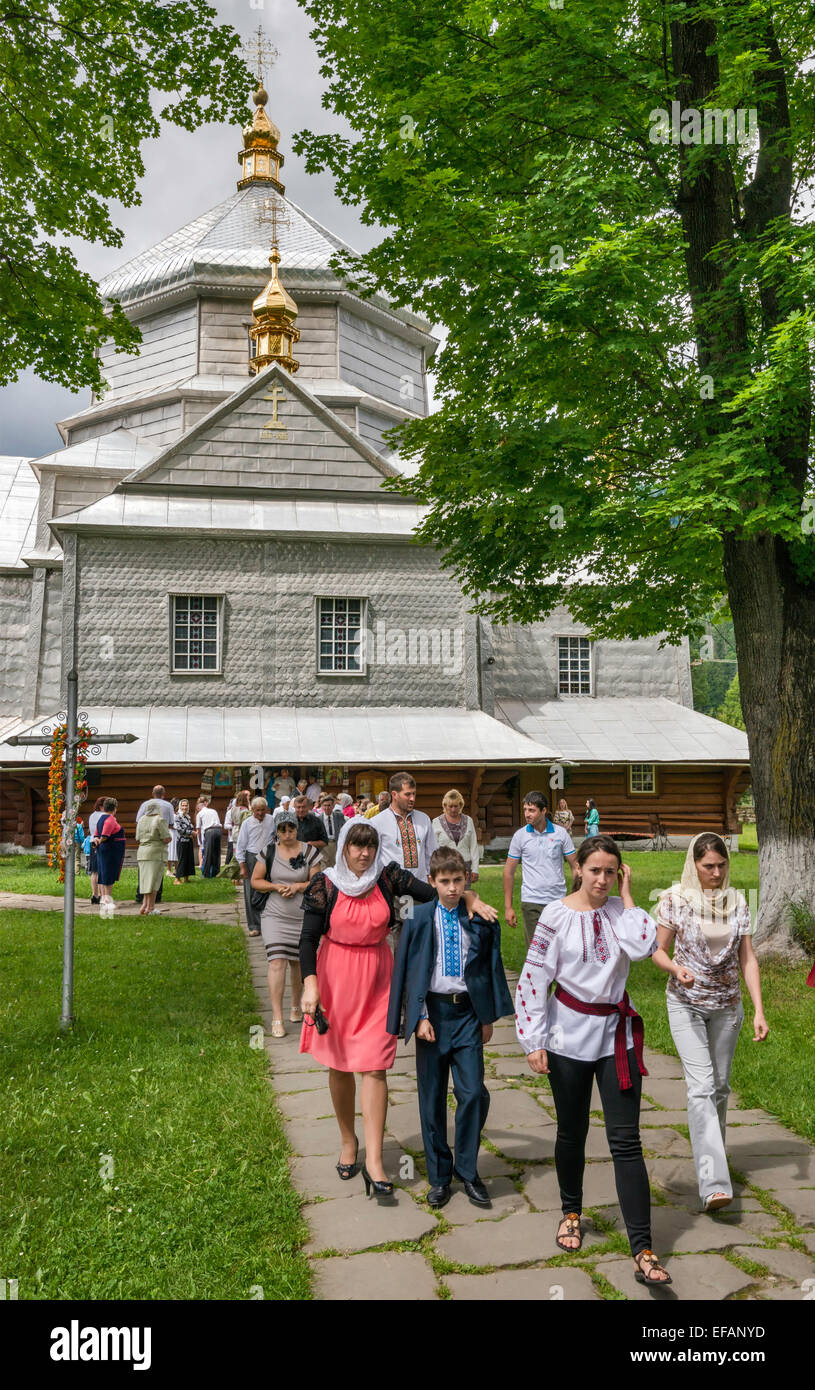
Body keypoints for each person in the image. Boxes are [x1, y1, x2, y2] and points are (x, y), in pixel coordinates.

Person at [299, 820, 498, 1199]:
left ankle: (375, 1160)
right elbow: (307, 939)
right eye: (357, 846)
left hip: (378, 980)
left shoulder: (388, 877)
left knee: (375, 1066)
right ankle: (347, 1141)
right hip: (336, 978)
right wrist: (311, 985)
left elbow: (438, 891)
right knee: (340, 1066)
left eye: (370, 846)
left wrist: (469, 897)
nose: (364, 853)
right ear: (343, 848)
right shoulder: (324, 884)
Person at [516, 835, 671, 1286]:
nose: (602, 878)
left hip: (615, 1038)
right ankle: (570, 1210)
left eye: (611, 871)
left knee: (626, 1141)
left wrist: (626, 897)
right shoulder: (555, 915)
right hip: (566, 1037)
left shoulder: (624, 914)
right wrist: (534, 1040)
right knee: (572, 1131)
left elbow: (644, 947)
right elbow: (533, 978)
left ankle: (643, 1248)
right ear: (577, 869)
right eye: (595, 870)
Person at [387, 846, 513, 1208]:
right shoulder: (418, 917)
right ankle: (440, 1176)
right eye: (445, 882)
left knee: (473, 1093)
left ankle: (469, 1171)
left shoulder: (479, 917)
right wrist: (420, 1015)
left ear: (467, 880)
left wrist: (487, 1016)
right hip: (434, 1017)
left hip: (468, 1015)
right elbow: (411, 970)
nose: (452, 888)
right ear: (432, 881)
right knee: (431, 1100)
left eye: (459, 881)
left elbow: (490, 967)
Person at [652, 832, 769, 1212]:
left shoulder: (738, 903)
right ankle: (714, 1183)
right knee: (701, 1087)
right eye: (708, 867)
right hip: (685, 1005)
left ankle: (712, 1164)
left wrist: (758, 1010)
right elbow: (658, 950)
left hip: (727, 1008)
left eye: (721, 865)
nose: (716, 873)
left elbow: (747, 959)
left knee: (719, 1088)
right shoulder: (675, 900)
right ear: (694, 865)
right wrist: (676, 968)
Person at [251, 811, 323, 1037]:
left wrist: (299, 887)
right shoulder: (268, 851)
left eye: (291, 829)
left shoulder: (310, 851)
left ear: (296, 829)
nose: (287, 833)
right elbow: (255, 881)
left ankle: (295, 1006)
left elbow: (317, 881)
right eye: (282, 829)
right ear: (277, 831)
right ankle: (276, 1018)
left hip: (303, 915)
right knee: (277, 961)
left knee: (298, 963)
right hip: (275, 915)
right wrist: (275, 887)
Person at [503, 791, 578, 945]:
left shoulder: (561, 834)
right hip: (531, 901)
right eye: (525, 809)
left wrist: (577, 897)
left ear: (543, 811)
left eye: (532, 810)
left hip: (558, 901)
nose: (527, 814)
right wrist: (508, 907)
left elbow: (576, 867)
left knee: (559, 950)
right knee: (535, 953)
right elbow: (508, 872)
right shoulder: (520, 836)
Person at [375, 772, 438, 883]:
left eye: (414, 794)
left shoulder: (424, 819)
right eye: (407, 794)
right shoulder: (377, 822)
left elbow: (432, 854)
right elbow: (374, 859)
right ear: (394, 794)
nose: (412, 798)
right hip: (390, 889)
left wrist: (434, 879)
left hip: (421, 886)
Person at [236, 796, 275, 937]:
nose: (260, 813)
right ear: (252, 809)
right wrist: (242, 866)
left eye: (263, 810)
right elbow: (240, 845)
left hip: (269, 857)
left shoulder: (271, 820)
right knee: (250, 891)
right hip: (252, 857)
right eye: (257, 810)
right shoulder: (247, 823)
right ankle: (254, 926)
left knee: (269, 890)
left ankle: (268, 924)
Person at [432, 789, 480, 886]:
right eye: (450, 806)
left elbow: (474, 846)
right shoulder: (436, 822)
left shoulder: (469, 820)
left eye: (456, 806)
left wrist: (475, 869)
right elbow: (433, 848)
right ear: (445, 806)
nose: (453, 809)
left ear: (461, 805)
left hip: (465, 867)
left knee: (464, 898)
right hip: (444, 867)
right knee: (447, 898)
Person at [135, 786, 174, 904]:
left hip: (142, 849)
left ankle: (140, 897)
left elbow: (137, 830)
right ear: (164, 794)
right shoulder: (168, 807)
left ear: (152, 793)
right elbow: (171, 825)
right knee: (156, 876)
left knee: (143, 875)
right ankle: (153, 901)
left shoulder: (143, 808)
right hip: (157, 848)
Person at [94, 797, 126, 918]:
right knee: (108, 873)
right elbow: (105, 836)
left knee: (103, 872)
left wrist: (97, 840)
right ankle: (107, 901)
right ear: (114, 808)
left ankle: (103, 899)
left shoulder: (101, 818)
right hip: (110, 849)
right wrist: (100, 840)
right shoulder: (110, 819)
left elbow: (97, 834)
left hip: (104, 849)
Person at [196, 796, 222, 877]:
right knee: (217, 853)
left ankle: (205, 874)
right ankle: (216, 873)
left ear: (199, 807)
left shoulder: (199, 814)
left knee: (208, 853)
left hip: (209, 831)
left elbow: (198, 829)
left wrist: (200, 841)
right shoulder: (213, 810)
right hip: (218, 830)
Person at [87, 795, 106, 904]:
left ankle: (94, 895)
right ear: (101, 806)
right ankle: (102, 895)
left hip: (92, 841)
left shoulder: (92, 815)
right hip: (100, 842)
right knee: (101, 870)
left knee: (94, 871)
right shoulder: (104, 815)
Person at [224, 790, 251, 865]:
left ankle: (235, 864)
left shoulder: (232, 810)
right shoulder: (245, 811)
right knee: (242, 850)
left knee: (236, 850)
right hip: (242, 831)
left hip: (234, 831)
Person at [173, 800, 196, 884]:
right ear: (180, 806)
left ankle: (186, 878)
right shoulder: (177, 816)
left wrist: (192, 833)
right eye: (183, 805)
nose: (184, 807)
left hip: (188, 841)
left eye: (186, 805)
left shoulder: (187, 817)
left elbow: (189, 827)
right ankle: (177, 879)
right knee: (182, 860)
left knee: (188, 860)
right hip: (181, 841)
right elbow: (178, 829)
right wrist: (191, 832)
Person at [166, 797, 179, 878]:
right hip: (172, 834)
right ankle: (168, 870)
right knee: (171, 851)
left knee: (175, 852)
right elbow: (169, 825)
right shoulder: (171, 815)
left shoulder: (176, 814)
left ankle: (176, 870)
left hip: (176, 834)